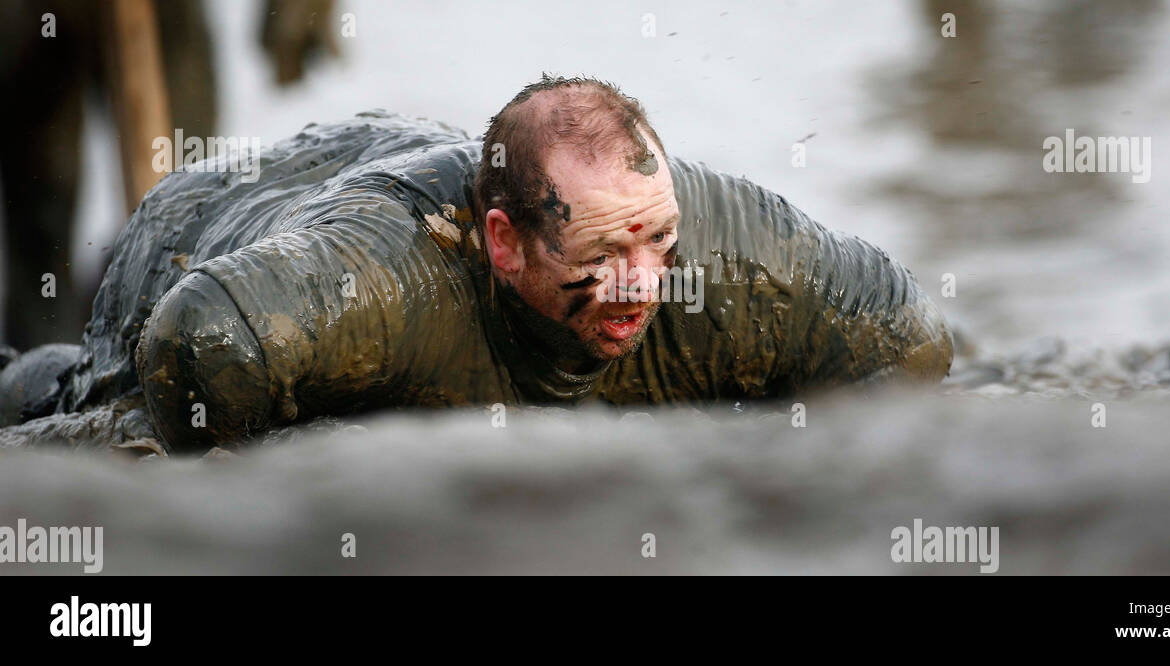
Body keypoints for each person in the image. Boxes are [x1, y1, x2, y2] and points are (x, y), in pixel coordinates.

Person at [2, 75, 953, 452]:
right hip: (216, 216)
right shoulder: (392, 278)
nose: (644, 284)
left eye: (657, 241)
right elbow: (197, 341)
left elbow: (908, 341)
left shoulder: (716, 252)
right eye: (601, 253)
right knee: (64, 397)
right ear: (503, 245)